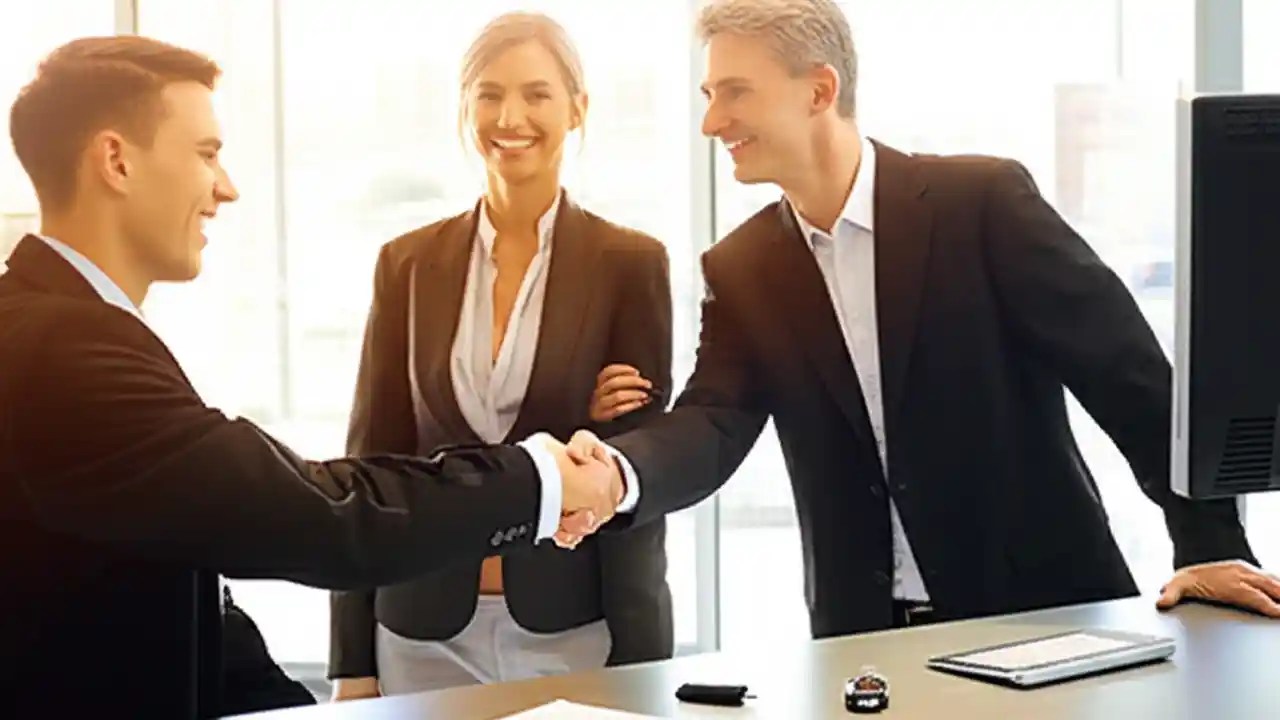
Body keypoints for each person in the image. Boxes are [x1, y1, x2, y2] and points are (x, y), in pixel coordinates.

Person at [557, 0, 1280, 640]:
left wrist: (1208, 543)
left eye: (735, 92)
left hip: (1045, 618)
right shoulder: (742, 267)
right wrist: (618, 475)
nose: (713, 120)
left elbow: (1132, 380)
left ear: (819, 90)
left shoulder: (982, 203)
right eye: (710, 94)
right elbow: (712, 423)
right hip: (864, 643)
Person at [0, 35, 622, 719]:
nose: (226, 187)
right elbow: (320, 515)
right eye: (207, 153)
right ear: (116, 160)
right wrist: (538, 477)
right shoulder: (57, 347)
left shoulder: (67, 325)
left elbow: (188, 583)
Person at [328, 12, 674, 701]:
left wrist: (644, 664)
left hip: (568, 627)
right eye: (488, 94)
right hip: (419, 627)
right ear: (465, 108)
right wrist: (351, 661)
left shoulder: (629, 264)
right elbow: (366, 463)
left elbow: (636, 479)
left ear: (577, 110)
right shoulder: (408, 264)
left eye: (537, 94)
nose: (509, 116)